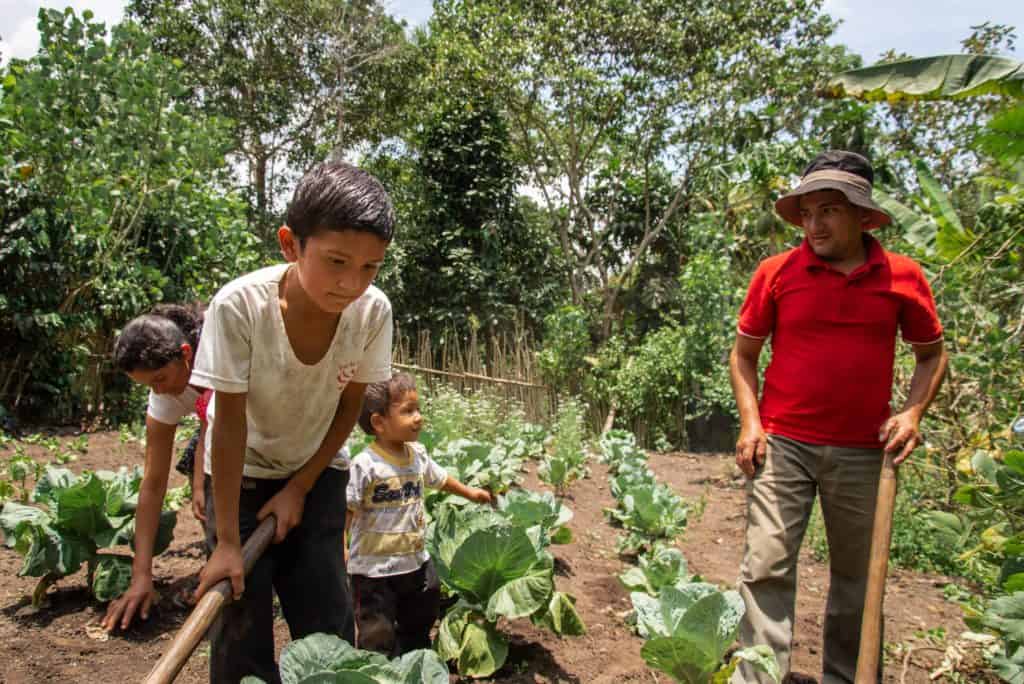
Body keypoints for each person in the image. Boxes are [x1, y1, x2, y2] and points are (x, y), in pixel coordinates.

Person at [729, 150, 948, 683]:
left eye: (828, 210)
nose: (814, 225)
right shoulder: (777, 273)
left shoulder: (902, 277)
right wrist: (751, 423)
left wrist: (912, 413)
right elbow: (743, 355)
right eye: (806, 213)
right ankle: (760, 677)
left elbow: (931, 354)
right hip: (783, 444)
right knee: (765, 565)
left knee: (858, 582)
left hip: (864, 452)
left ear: (862, 216)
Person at [190, 161, 395, 683]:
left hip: (317, 467)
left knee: (327, 618)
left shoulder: (372, 312)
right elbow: (228, 425)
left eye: (370, 267)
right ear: (290, 244)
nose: (352, 283)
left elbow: (349, 406)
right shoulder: (239, 307)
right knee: (239, 621)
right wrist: (228, 543)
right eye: (336, 262)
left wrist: (300, 486)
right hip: (239, 473)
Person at [345, 373, 492, 656]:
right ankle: (377, 669)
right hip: (373, 571)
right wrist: (342, 548)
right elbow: (347, 508)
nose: (418, 417)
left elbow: (440, 479)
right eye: (408, 411)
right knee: (377, 632)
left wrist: (470, 493)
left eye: (418, 409)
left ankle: (415, 660)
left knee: (424, 609)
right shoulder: (365, 465)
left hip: (414, 562)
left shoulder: (417, 455)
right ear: (378, 422)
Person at [103, 303, 211, 632]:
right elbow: (152, 482)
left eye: (161, 379)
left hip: (265, 419)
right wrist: (141, 576)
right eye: (148, 385)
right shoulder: (163, 393)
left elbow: (219, 426)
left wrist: (202, 481)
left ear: (186, 354)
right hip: (215, 425)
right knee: (207, 495)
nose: (158, 390)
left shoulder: (221, 356)